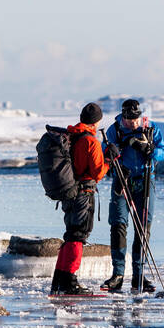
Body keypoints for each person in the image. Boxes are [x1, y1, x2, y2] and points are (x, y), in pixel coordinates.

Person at [102, 99, 164, 293]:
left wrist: (151, 151)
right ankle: (118, 274)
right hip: (122, 180)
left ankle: (139, 274)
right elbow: (105, 153)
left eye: (136, 119)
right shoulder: (115, 130)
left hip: (146, 180)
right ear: (123, 117)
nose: (133, 123)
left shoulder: (151, 128)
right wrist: (110, 154)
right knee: (118, 225)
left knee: (143, 227)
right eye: (129, 120)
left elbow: (163, 152)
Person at [50, 102, 109, 296]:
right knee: (78, 234)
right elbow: (98, 172)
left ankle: (60, 278)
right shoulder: (90, 141)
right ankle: (70, 281)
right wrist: (109, 160)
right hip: (84, 193)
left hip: (69, 192)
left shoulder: (73, 135)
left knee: (71, 234)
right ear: (95, 122)